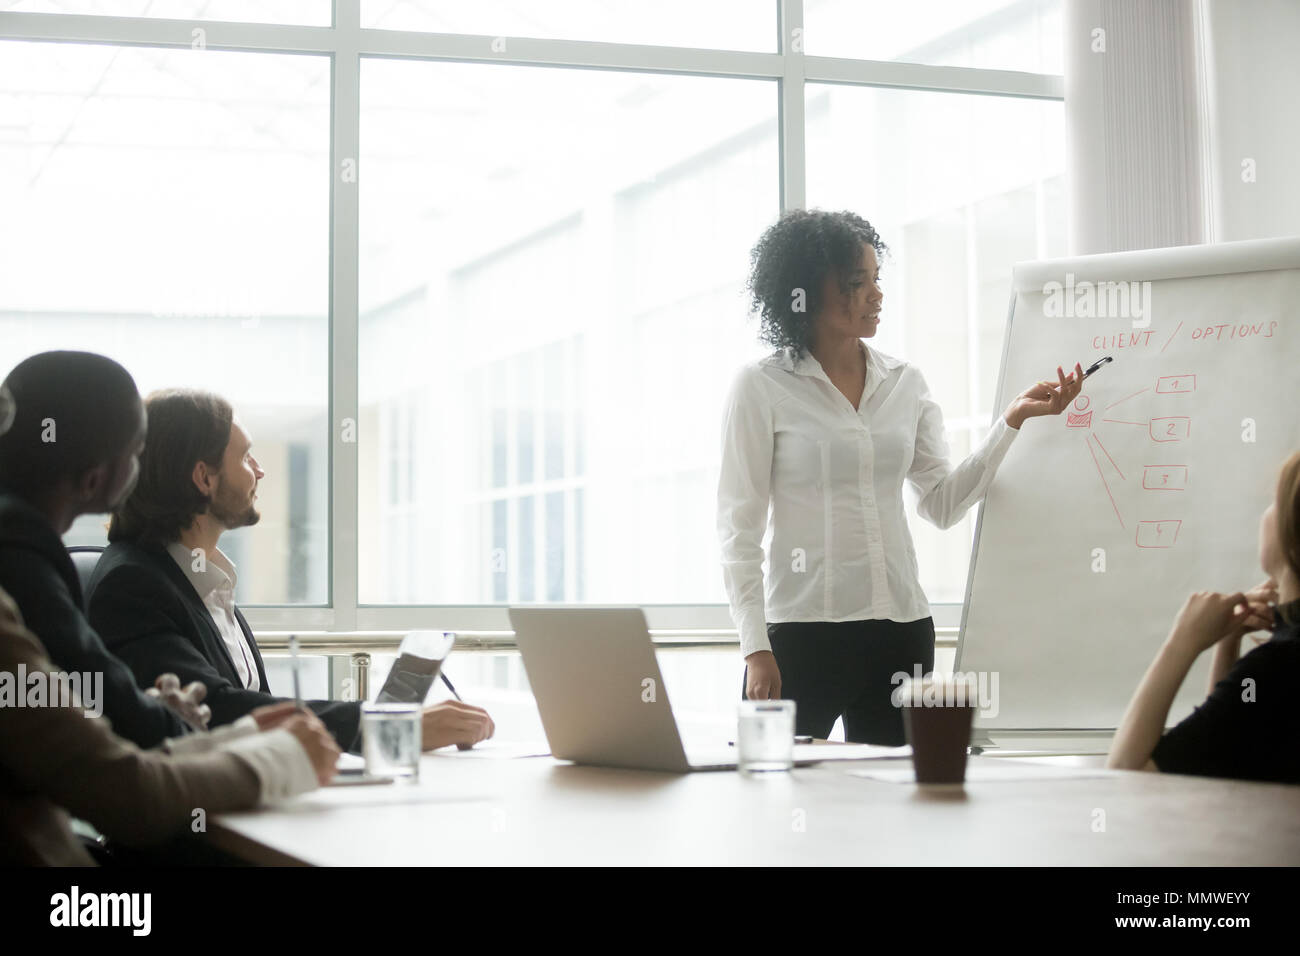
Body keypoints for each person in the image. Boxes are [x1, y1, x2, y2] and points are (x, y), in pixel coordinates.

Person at [718, 209, 1083, 744]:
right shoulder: (761, 386)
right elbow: (738, 528)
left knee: (897, 793)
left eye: (876, 278)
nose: (876, 294)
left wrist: (1011, 421)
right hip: (799, 636)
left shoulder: (905, 383)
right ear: (806, 292)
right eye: (856, 282)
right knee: (775, 785)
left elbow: (942, 504)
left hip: (901, 632)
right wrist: (755, 646)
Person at [89, 388, 495, 751]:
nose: (259, 470)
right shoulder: (133, 586)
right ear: (203, 478)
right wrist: (388, 725)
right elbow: (214, 710)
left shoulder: (203, 580)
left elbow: (250, 706)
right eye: (245, 457)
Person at [1108, 450, 1300, 783]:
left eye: (1275, 501)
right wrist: (1228, 643)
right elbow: (1222, 749)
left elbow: (1128, 776)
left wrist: (1181, 642)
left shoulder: (1277, 666)